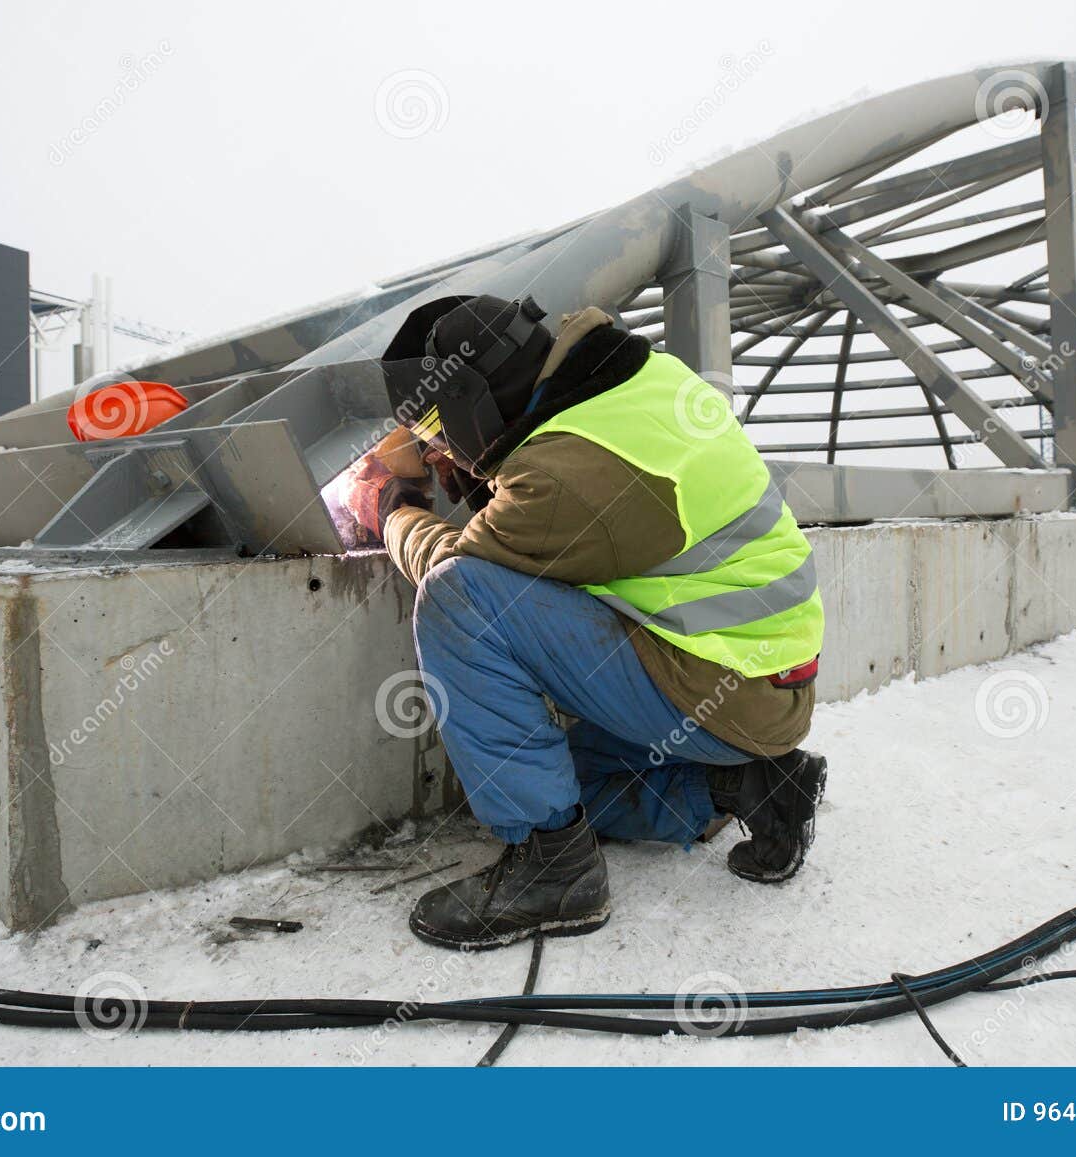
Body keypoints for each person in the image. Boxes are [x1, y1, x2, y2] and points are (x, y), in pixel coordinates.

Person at [342, 294, 827, 951]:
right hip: (762, 679)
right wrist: (477, 467)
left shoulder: (567, 483)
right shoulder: (631, 380)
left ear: (465, 401)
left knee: (458, 597)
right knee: (568, 780)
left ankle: (555, 873)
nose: (431, 453)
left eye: (434, 431)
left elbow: (456, 565)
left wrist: (388, 503)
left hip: (725, 682)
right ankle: (750, 784)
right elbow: (577, 508)